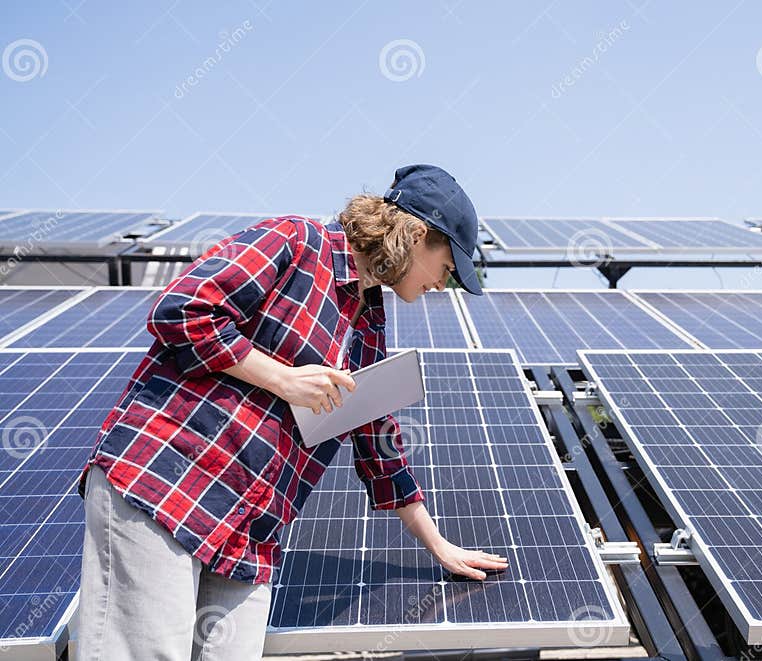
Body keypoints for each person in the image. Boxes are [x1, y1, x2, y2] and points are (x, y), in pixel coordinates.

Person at [75, 164, 508, 660]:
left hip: (249, 529)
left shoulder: (368, 325)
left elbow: (379, 445)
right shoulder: (298, 243)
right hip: (170, 486)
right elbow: (183, 308)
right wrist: (284, 379)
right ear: (415, 234)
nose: (444, 283)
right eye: (447, 267)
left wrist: (439, 546)